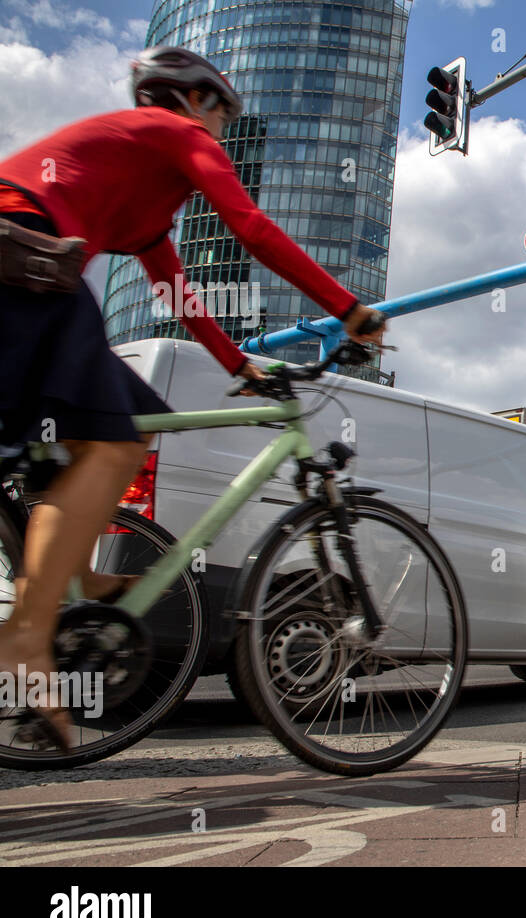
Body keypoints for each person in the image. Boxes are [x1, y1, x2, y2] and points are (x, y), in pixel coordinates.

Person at [0, 46, 385, 749]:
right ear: (192, 100)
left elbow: (180, 298)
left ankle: (73, 579)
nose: (222, 128)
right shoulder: (174, 135)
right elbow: (251, 228)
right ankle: (25, 641)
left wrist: (240, 364)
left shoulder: (150, 201)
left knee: (130, 424)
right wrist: (349, 308)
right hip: (27, 259)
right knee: (115, 438)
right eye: (221, 111)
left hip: (29, 264)